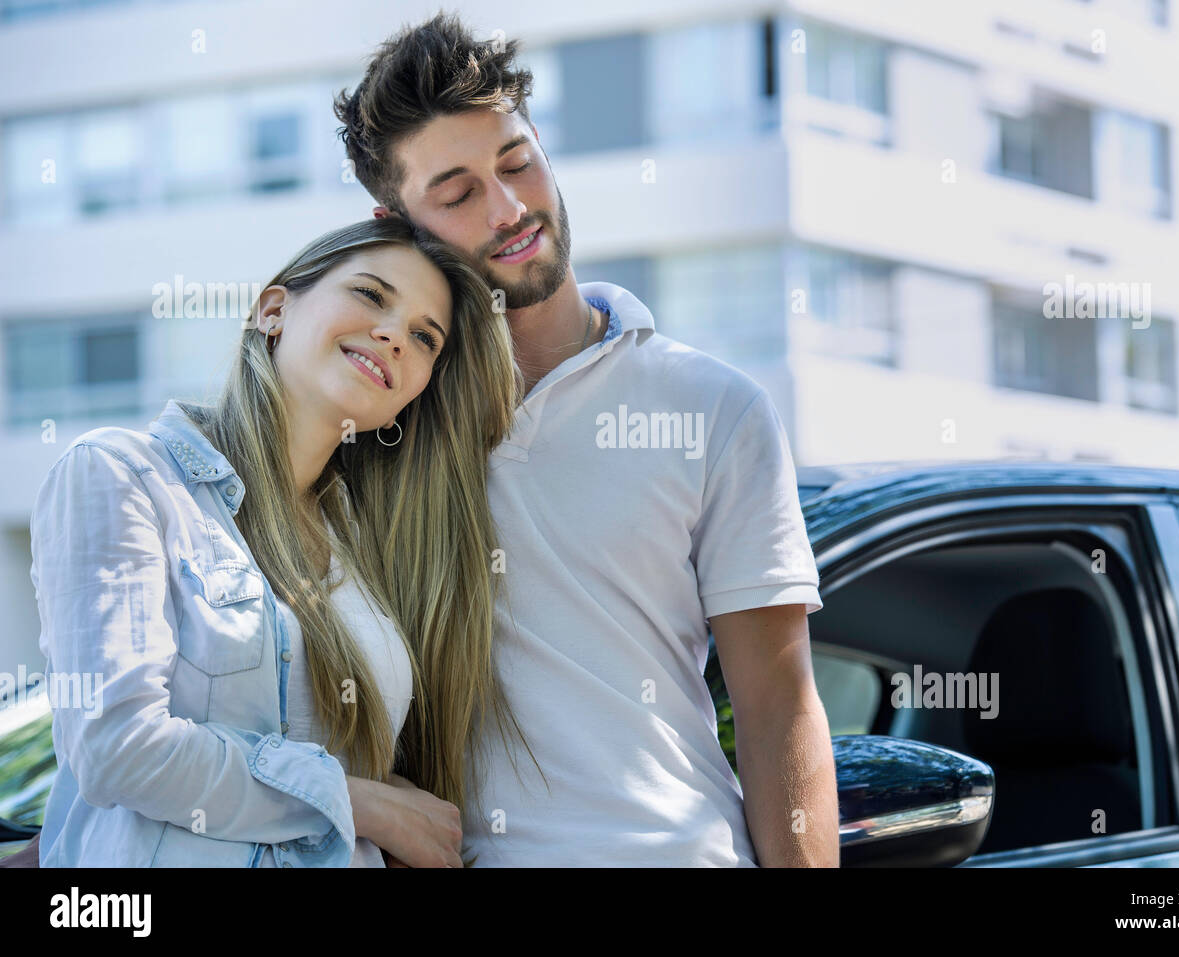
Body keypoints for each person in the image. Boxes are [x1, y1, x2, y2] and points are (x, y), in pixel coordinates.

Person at [333, 12, 840, 866]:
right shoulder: (378, 420)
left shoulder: (716, 408)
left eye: (517, 163)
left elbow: (778, 704)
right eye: (457, 194)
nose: (509, 207)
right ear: (397, 222)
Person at [27, 216, 525, 866]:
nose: (393, 335)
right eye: (372, 296)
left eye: (424, 336)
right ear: (273, 309)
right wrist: (355, 799)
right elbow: (118, 746)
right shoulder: (124, 476)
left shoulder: (364, 549)